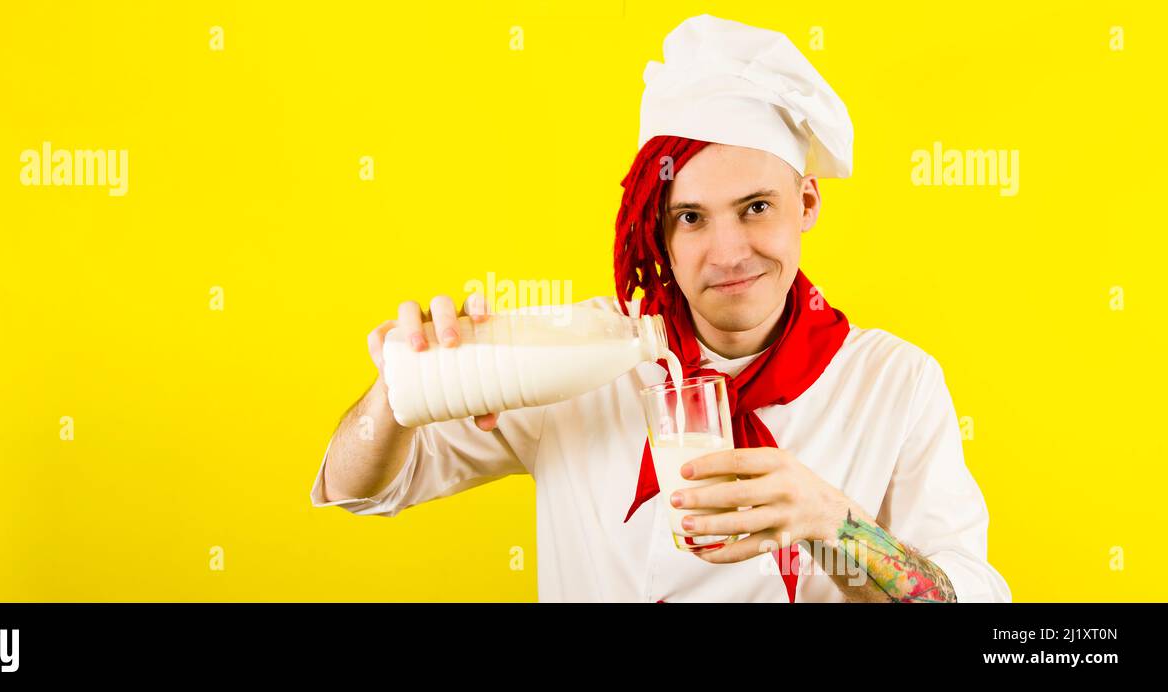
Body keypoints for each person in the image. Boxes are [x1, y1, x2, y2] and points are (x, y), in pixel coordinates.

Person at [310, 14, 1011, 603]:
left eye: (756, 208)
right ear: (657, 229)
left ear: (806, 203)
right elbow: (358, 489)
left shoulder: (896, 382)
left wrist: (834, 523)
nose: (729, 252)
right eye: (691, 218)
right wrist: (400, 393)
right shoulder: (579, 353)